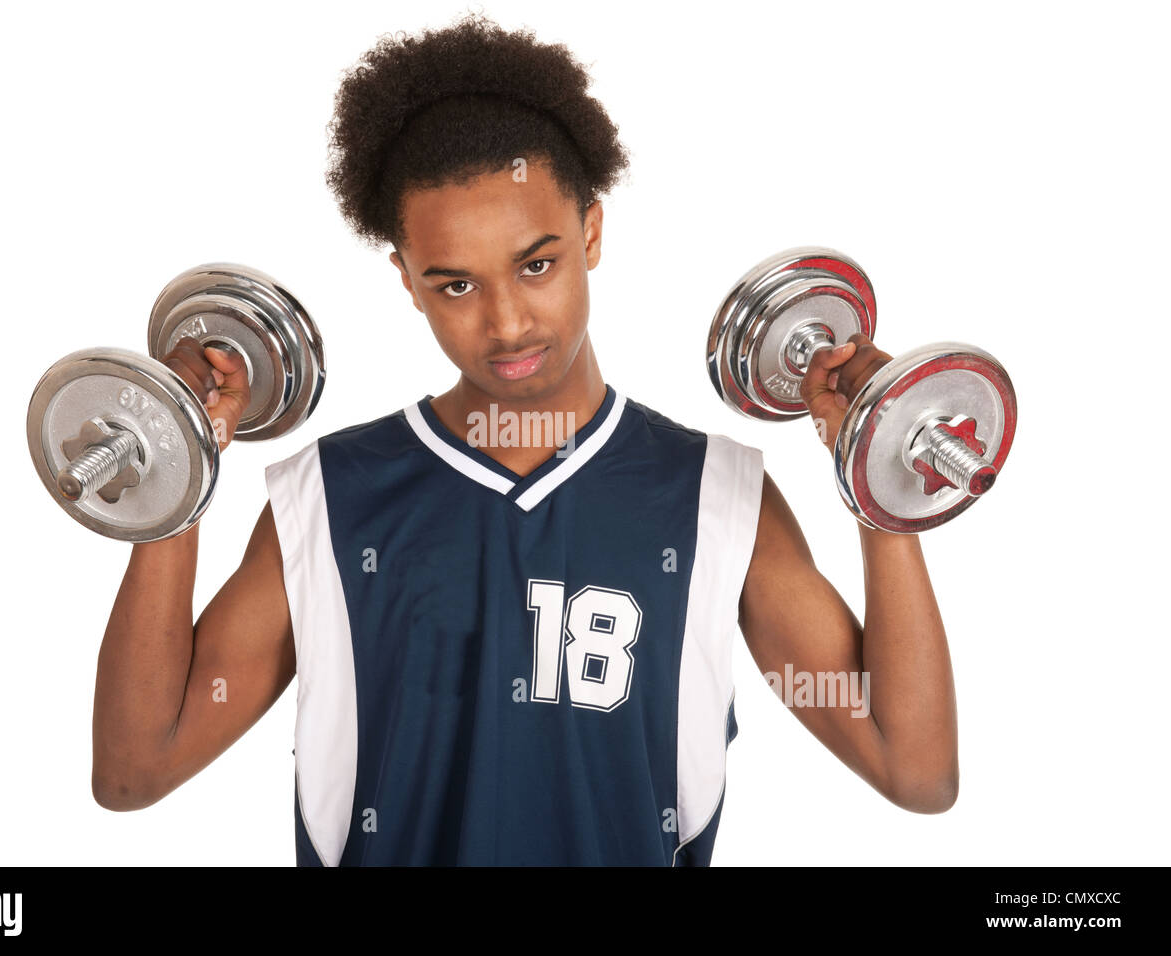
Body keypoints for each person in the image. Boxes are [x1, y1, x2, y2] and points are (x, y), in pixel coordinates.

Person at [90, 11, 957, 866]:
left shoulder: (714, 496)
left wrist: (875, 475)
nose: (506, 323)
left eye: (536, 264)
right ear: (408, 282)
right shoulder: (324, 497)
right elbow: (133, 773)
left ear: (591, 231)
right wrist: (180, 461)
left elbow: (915, 770)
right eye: (455, 284)